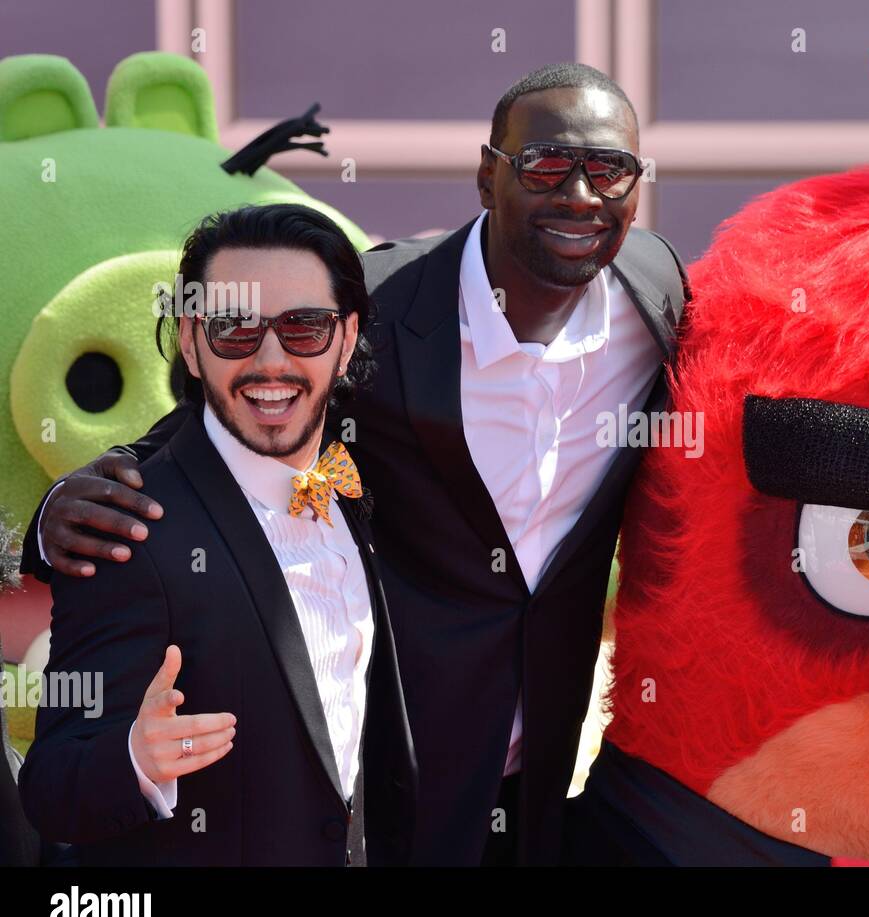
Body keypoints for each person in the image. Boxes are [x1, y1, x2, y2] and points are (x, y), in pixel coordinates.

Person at [21, 63, 688, 865]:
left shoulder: (659, 292)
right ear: (487, 173)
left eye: (610, 169)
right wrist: (74, 495)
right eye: (546, 164)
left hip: (546, 747)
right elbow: (230, 411)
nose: (581, 195)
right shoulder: (380, 300)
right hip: (395, 757)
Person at [19, 204, 416, 865]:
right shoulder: (130, 532)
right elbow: (56, 790)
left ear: (346, 341)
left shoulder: (367, 479)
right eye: (234, 328)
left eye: (304, 328)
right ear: (192, 342)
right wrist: (134, 760)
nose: (270, 361)